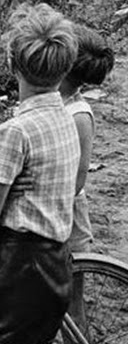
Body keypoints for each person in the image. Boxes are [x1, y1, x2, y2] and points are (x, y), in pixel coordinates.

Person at [0, 3, 80, 344]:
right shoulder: (68, 117)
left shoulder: (15, 132)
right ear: (65, 67)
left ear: (13, 65)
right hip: (56, 264)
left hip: (16, 270)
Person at [60, 23, 114, 252]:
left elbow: (77, 181)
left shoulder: (78, 115)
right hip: (47, 210)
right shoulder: (50, 99)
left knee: (72, 274)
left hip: (66, 215)